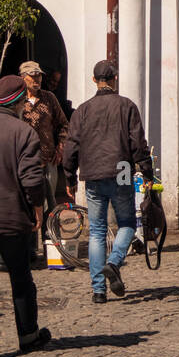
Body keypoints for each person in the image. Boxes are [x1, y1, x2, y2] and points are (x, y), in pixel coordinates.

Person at [62, 60, 153, 305]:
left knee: (97, 232)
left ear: (95, 80)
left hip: (92, 173)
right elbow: (138, 144)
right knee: (126, 223)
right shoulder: (127, 106)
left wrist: (69, 177)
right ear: (115, 79)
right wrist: (147, 172)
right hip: (121, 170)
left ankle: (98, 290)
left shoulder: (82, 110)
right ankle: (113, 262)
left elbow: (71, 146)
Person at [0, 76, 53, 354]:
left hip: (6, 215)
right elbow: (31, 178)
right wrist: (38, 208)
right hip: (10, 216)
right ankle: (28, 335)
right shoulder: (22, 131)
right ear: (18, 102)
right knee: (20, 277)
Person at [19, 60, 69, 233]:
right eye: (32, 76)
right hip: (24, 161)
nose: (36, 79)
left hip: (48, 159)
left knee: (50, 204)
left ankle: (50, 243)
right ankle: (31, 248)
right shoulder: (17, 100)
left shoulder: (49, 98)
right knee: (28, 203)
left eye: (38, 75)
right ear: (23, 78)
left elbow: (64, 125)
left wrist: (61, 146)